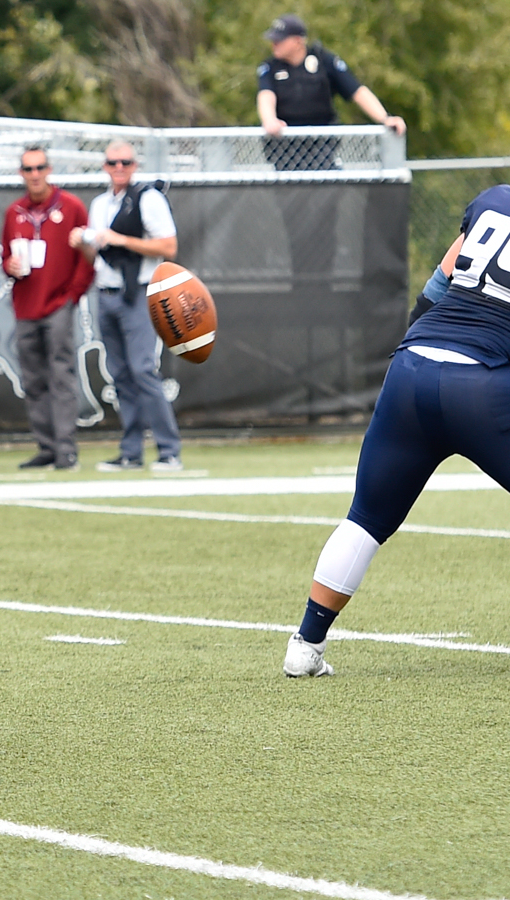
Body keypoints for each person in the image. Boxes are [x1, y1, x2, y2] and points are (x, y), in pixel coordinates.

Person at [282, 185, 510, 678]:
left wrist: (416, 349)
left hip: (413, 368)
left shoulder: (494, 200)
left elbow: (439, 282)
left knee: (364, 519)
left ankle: (305, 646)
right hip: (483, 382)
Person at [70, 141, 184, 473]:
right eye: (112, 162)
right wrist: (82, 245)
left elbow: (169, 245)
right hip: (106, 294)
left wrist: (121, 239)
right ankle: (131, 452)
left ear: (134, 165)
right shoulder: (99, 204)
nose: (119, 167)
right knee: (119, 374)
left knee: (143, 370)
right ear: (104, 166)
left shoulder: (148, 198)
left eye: (125, 162)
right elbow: (97, 257)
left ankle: (169, 450)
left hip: (140, 293)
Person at [1, 146, 95, 471]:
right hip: (26, 305)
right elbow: (4, 258)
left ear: (50, 169)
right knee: (33, 380)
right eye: (29, 169)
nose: (35, 174)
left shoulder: (71, 207)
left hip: (58, 304)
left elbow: (88, 256)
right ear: (21, 173)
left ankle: (67, 450)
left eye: (40, 167)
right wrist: (9, 265)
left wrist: (73, 296)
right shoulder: (14, 211)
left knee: (61, 376)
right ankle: (47, 446)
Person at [256, 13, 405, 172]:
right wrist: (269, 120)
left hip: (321, 144)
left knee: (327, 188)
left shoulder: (325, 61)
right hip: (284, 146)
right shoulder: (270, 67)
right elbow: (266, 95)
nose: (274, 44)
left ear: (297, 41)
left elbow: (357, 91)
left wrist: (385, 118)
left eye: (280, 40)